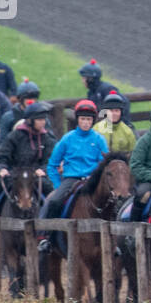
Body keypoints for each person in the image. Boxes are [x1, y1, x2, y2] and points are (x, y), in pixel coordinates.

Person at [38, 100, 109, 251]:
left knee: (111, 202)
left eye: (88, 119)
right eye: (83, 119)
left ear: (93, 121)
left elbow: (105, 164)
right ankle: (47, 238)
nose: (85, 122)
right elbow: (52, 165)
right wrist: (58, 185)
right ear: (77, 119)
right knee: (54, 201)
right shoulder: (67, 139)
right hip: (71, 180)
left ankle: (113, 240)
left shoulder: (99, 139)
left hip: (93, 180)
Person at [0, 100, 57, 215]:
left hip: (36, 174)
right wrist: (2, 169)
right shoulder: (14, 136)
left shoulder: (46, 138)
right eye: (39, 119)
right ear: (30, 120)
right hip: (15, 173)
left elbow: (50, 159)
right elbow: (2, 156)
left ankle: (53, 220)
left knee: (51, 192)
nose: (43, 122)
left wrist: (43, 169)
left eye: (44, 119)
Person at [78, 59, 130, 124]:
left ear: (90, 79)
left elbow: (123, 103)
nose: (82, 81)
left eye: (84, 78)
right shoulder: (91, 92)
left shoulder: (106, 89)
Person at [0, 78, 47, 144]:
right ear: (20, 99)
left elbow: (50, 139)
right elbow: (2, 142)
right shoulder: (8, 117)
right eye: (27, 98)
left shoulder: (41, 116)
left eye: (33, 98)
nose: (31, 101)